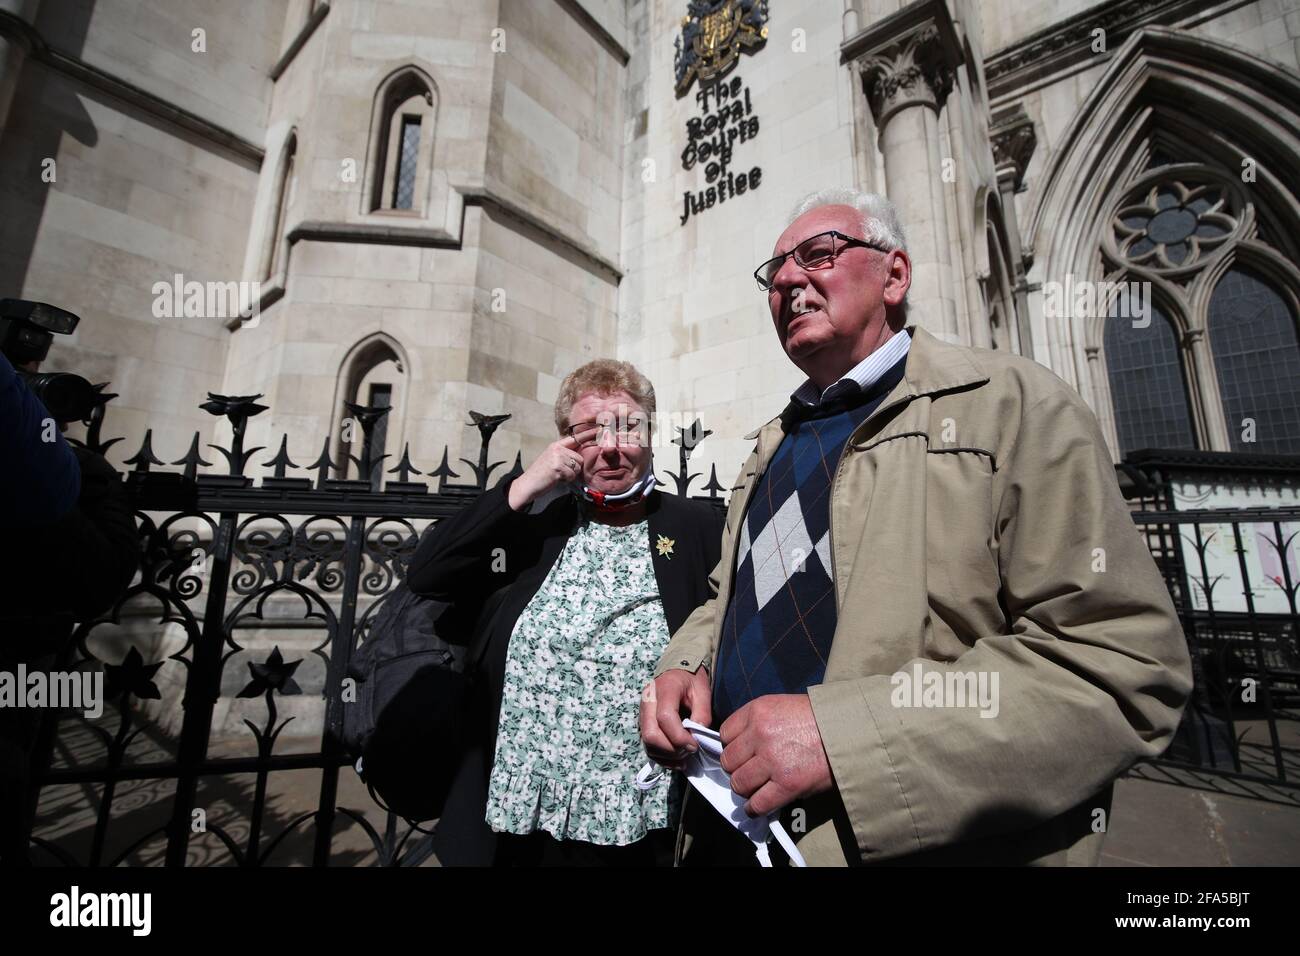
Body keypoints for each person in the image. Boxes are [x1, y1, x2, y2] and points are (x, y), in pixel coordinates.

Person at [640, 187, 1193, 866]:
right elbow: (724, 598)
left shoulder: (1013, 407)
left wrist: (844, 741)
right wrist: (686, 663)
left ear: (895, 275)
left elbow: (1121, 667)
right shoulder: (770, 446)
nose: (786, 278)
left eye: (818, 254)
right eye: (774, 269)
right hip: (729, 834)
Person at [407, 359, 724, 866]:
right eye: (591, 433)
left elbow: (726, 616)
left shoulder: (696, 525)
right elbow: (427, 575)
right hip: (522, 814)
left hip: (646, 813)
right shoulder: (536, 523)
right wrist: (525, 485)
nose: (612, 447)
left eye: (628, 427)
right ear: (565, 443)